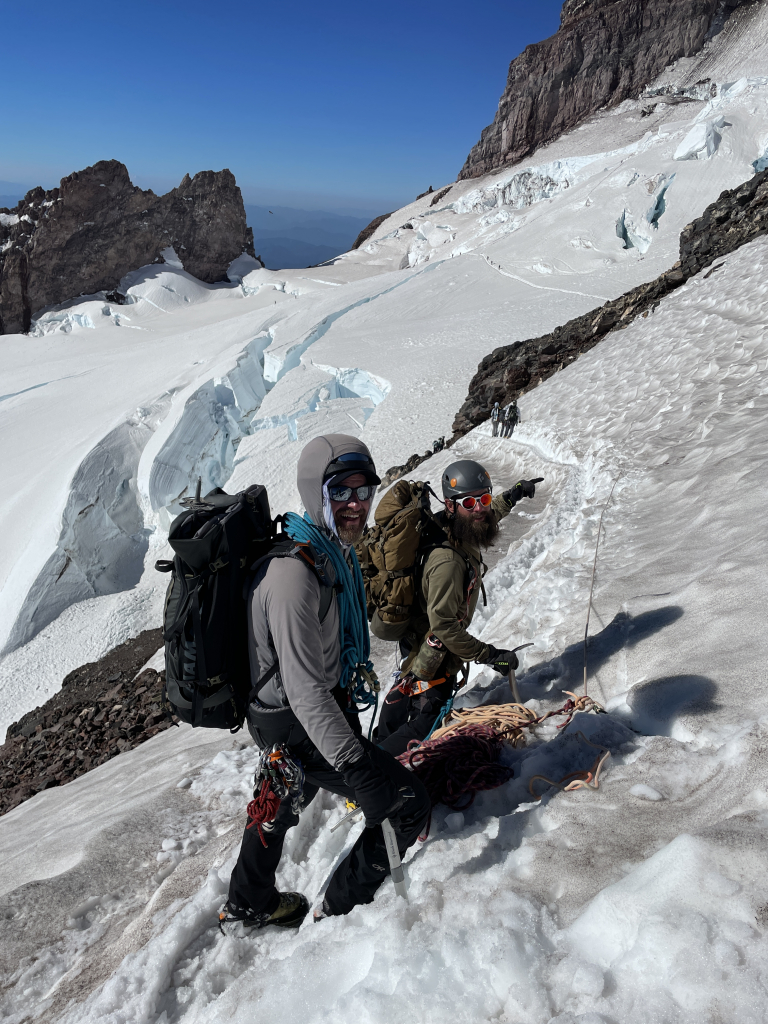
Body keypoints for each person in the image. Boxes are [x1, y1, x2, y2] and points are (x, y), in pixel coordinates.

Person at [221, 434, 430, 930]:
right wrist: (358, 769)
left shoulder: (324, 551)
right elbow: (304, 690)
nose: (356, 504)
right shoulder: (294, 576)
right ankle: (335, 914)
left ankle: (248, 898)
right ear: (318, 493)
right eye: (342, 492)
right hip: (297, 716)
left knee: (289, 791)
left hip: (284, 715)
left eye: (364, 491)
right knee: (405, 805)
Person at [376, 459, 542, 756]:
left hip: (416, 642)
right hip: (433, 656)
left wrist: (512, 496)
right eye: (469, 501)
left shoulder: (450, 525)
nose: (479, 508)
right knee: (423, 726)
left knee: (403, 699)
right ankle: (366, 778)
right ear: (451, 505)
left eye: (485, 498)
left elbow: (485, 518)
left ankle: (373, 751)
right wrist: (491, 655)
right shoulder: (449, 563)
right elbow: (445, 628)